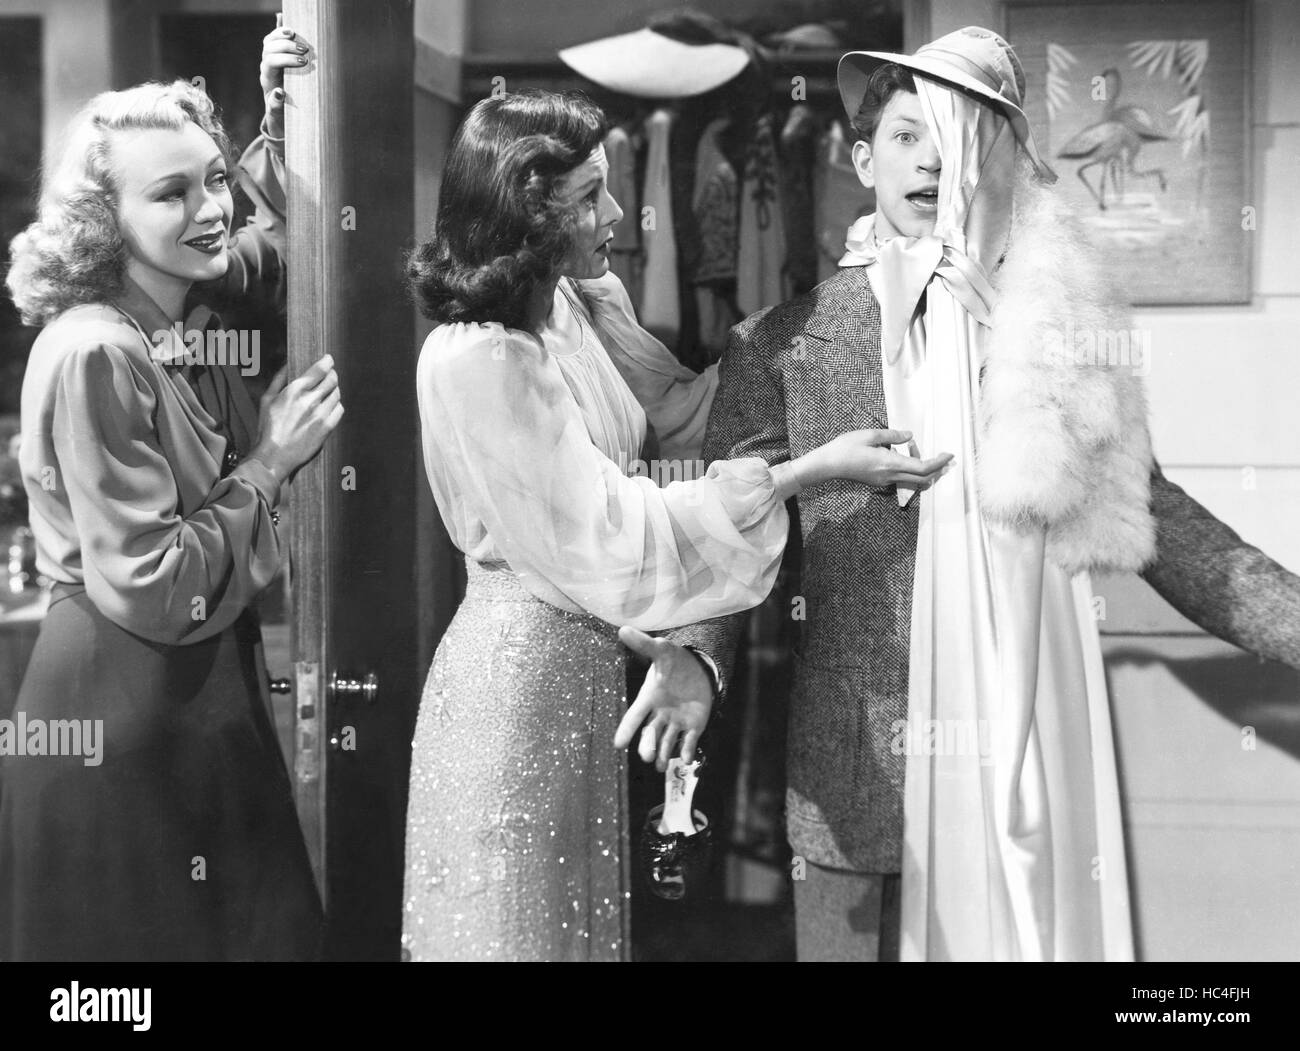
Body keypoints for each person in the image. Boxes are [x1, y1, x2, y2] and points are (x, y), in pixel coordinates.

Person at [644, 26, 1300, 962]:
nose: (931, 161)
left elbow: (1162, 524)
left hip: (1014, 767)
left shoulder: (1050, 332)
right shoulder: (776, 346)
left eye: (958, 140)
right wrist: (695, 664)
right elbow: (733, 533)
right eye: (908, 136)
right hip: (857, 774)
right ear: (863, 158)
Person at [400, 88, 951, 962]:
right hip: (512, 682)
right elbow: (613, 526)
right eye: (588, 199)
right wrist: (811, 468)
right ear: (528, 213)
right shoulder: (482, 356)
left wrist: (826, 325)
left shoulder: (576, 308)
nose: (617, 214)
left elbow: (690, 409)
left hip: (583, 678)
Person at [0, 23, 339, 961]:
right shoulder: (98, 348)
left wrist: (285, 113)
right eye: (171, 192)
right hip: (124, 713)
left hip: (189, 701)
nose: (209, 209)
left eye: (214, 178)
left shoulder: (185, 310)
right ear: (104, 219)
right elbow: (151, 579)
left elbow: (269, 247)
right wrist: (270, 462)